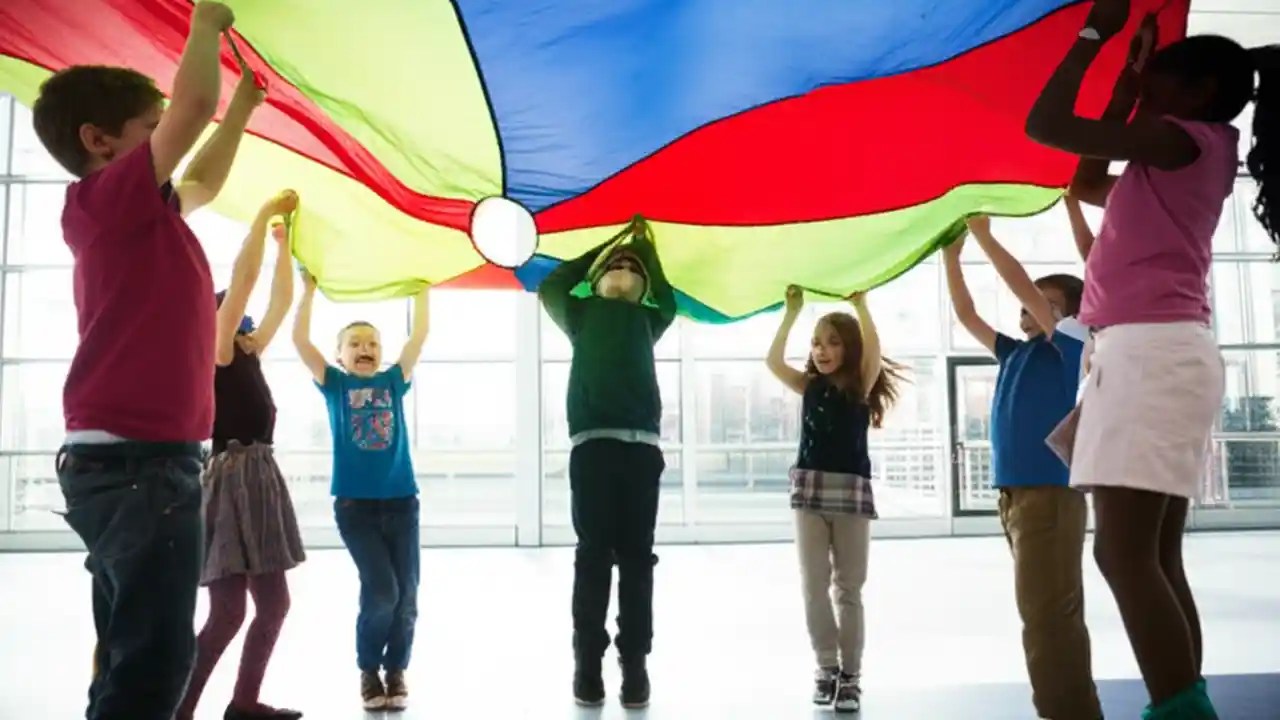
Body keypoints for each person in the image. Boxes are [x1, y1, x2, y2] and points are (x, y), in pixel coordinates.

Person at [1026, 0, 1278, 716]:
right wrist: (1125, 91)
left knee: (1124, 554)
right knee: (1154, 556)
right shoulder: (1186, 149)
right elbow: (1082, 183)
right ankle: (1183, 704)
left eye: (1154, 82)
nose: (1143, 91)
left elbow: (1041, 126)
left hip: (1149, 353)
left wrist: (1093, 39)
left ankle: (1181, 710)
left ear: (1194, 94)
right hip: (1156, 353)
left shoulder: (1180, 139)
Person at [32, 3, 264, 717]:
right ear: (100, 141)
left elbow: (205, 181)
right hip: (140, 469)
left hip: (133, 467)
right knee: (156, 663)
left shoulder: (147, 212)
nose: (165, 138)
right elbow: (191, 106)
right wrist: (203, 26)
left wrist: (242, 112)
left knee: (132, 653)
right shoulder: (104, 202)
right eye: (150, 129)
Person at [944, 217, 1097, 720]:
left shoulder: (1070, 347)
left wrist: (986, 238)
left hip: (1047, 496)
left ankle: (1065, 712)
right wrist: (951, 257)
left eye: (1045, 302)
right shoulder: (1015, 353)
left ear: (1070, 314)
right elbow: (967, 315)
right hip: (1014, 498)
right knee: (1046, 614)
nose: (1029, 308)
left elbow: (1022, 287)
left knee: (1046, 617)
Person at [537, 216, 676, 710]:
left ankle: (634, 664)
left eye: (631, 269)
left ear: (643, 288)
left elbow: (670, 299)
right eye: (612, 266)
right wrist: (605, 242)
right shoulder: (581, 313)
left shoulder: (648, 319)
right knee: (593, 555)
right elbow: (552, 284)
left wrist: (645, 248)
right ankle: (587, 664)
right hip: (592, 447)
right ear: (594, 280)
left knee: (637, 559)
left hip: (641, 449)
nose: (622, 268)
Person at [176, 191, 305, 720]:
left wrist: (285, 245)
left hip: (260, 476)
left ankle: (244, 703)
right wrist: (260, 215)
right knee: (227, 612)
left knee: (273, 604)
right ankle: (180, 709)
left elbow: (277, 301)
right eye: (231, 312)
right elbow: (244, 281)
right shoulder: (216, 350)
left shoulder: (246, 351)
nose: (245, 319)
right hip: (230, 479)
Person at [292, 274, 430, 712]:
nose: (365, 348)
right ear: (340, 355)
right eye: (355, 343)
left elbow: (420, 335)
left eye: (372, 342)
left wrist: (421, 289)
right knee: (382, 590)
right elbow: (299, 340)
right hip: (356, 508)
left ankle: (397, 670)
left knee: (407, 596)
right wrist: (309, 292)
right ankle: (369, 669)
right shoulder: (334, 384)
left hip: (402, 502)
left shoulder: (393, 381)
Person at [765, 286, 904, 715]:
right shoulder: (808, 385)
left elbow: (874, 348)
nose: (822, 350)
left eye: (832, 342)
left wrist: (861, 307)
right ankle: (826, 668)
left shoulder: (860, 383)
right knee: (813, 587)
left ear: (849, 348)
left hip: (850, 492)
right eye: (817, 343)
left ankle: (851, 676)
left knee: (849, 588)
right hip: (808, 491)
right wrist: (792, 313)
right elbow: (772, 362)